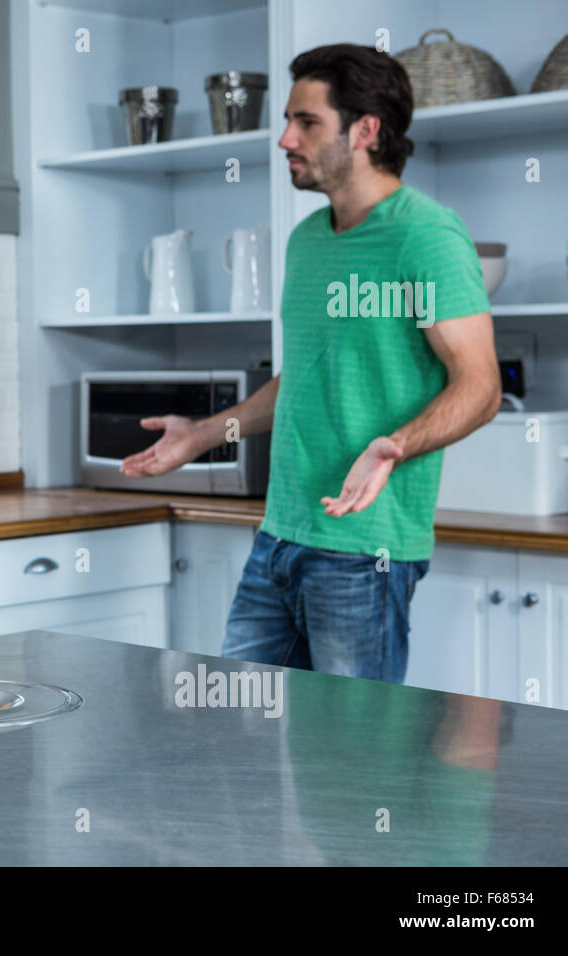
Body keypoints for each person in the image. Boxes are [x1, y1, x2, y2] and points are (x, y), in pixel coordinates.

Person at [121, 44, 501, 682]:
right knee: (240, 735)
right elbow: (303, 380)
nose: (284, 139)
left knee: (354, 762)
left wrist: (394, 446)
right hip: (280, 536)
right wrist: (205, 433)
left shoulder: (426, 237)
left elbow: (481, 386)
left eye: (306, 121)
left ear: (365, 131)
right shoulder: (306, 240)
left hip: (363, 550)